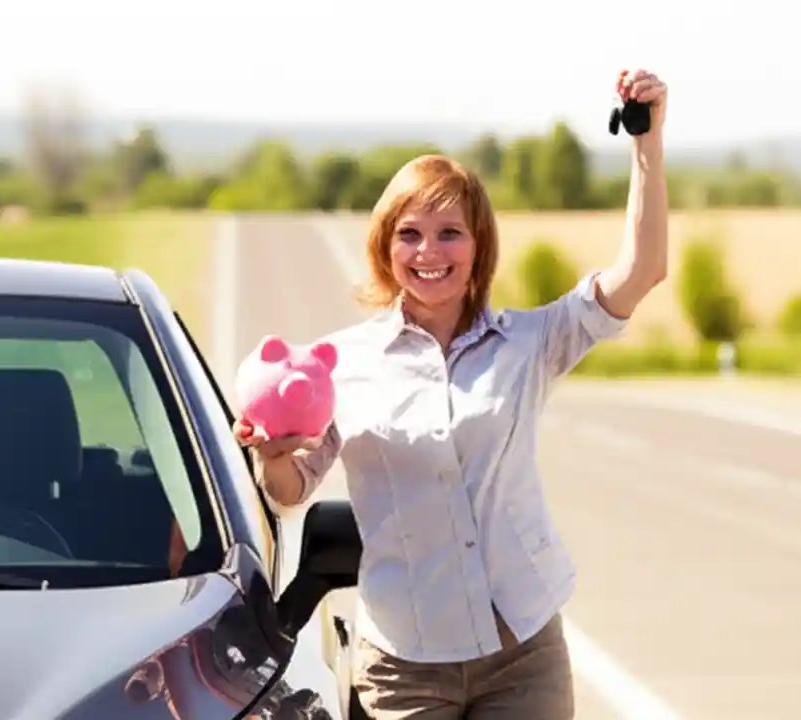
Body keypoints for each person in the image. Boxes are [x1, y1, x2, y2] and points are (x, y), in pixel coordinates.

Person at [235, 68, 669, 719]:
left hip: (523, 650)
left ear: (479, 245)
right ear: (385, 248)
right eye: (409, 233)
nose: (428, 251)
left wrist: (647, 142)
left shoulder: (530, 342)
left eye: (449, 233)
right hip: (405, 664)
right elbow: (293, 489)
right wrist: (272, 459)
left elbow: (643, 270)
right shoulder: (341, 364)